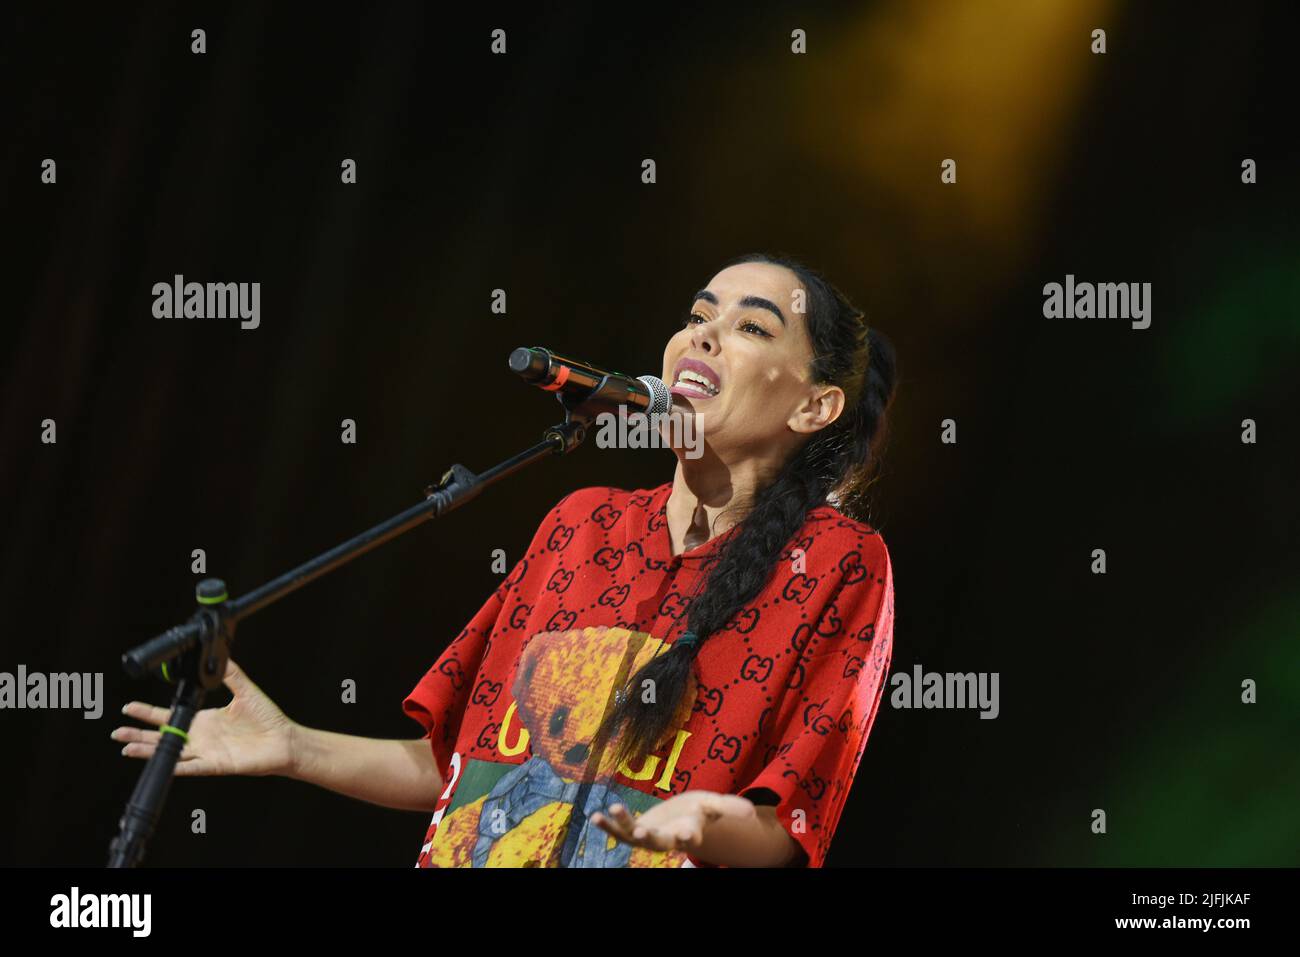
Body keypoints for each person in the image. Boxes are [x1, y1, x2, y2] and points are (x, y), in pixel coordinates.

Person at [113, 253, 899, 868]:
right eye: (698, 314)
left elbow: (788, 824)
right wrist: (292, 746)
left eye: (752, 327)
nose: (703, 333)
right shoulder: (581, 524)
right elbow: (457, 766)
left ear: (814, 405)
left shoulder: (839, 564)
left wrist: (702, 820)